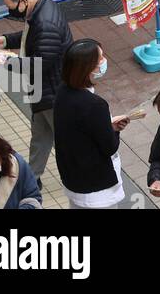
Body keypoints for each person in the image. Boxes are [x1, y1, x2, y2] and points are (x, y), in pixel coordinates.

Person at [0, 0, 73, 177]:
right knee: (40, 137)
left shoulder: (45, 23)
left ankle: (78, 175)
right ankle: (33, 177)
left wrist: (3, 59)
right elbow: (29, 36)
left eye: (11, 8)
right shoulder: (40, 8)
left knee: (66, 140)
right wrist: (5, 40)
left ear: (23, 1)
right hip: (43, 91)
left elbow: (38, 65)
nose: (11, 12)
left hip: (53, 94)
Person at [54, 39, 128, 208]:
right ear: (88, 68)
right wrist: (114, 130)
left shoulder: (62, 91)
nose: (104, 61)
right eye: (100, 59)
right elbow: (109, 147)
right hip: (98, 188)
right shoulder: (95, 105)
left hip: (74, 179)